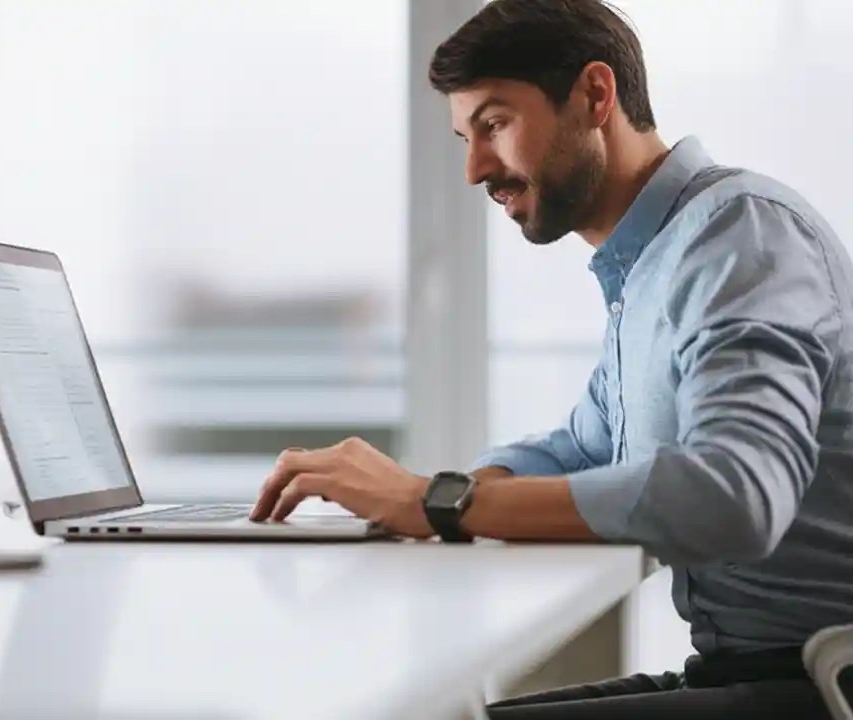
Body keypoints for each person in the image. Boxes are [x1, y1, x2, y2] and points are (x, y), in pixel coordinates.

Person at [248, 0, 853, 717]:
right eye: (464, 138)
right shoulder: (653, 267)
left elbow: (735, 495)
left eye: (495, 125)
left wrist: (435, 506)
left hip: (813, 686)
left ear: (596, 96)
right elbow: (582, 447)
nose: (475, 169)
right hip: (747, 673)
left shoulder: (738, 240)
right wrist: (422, 496)